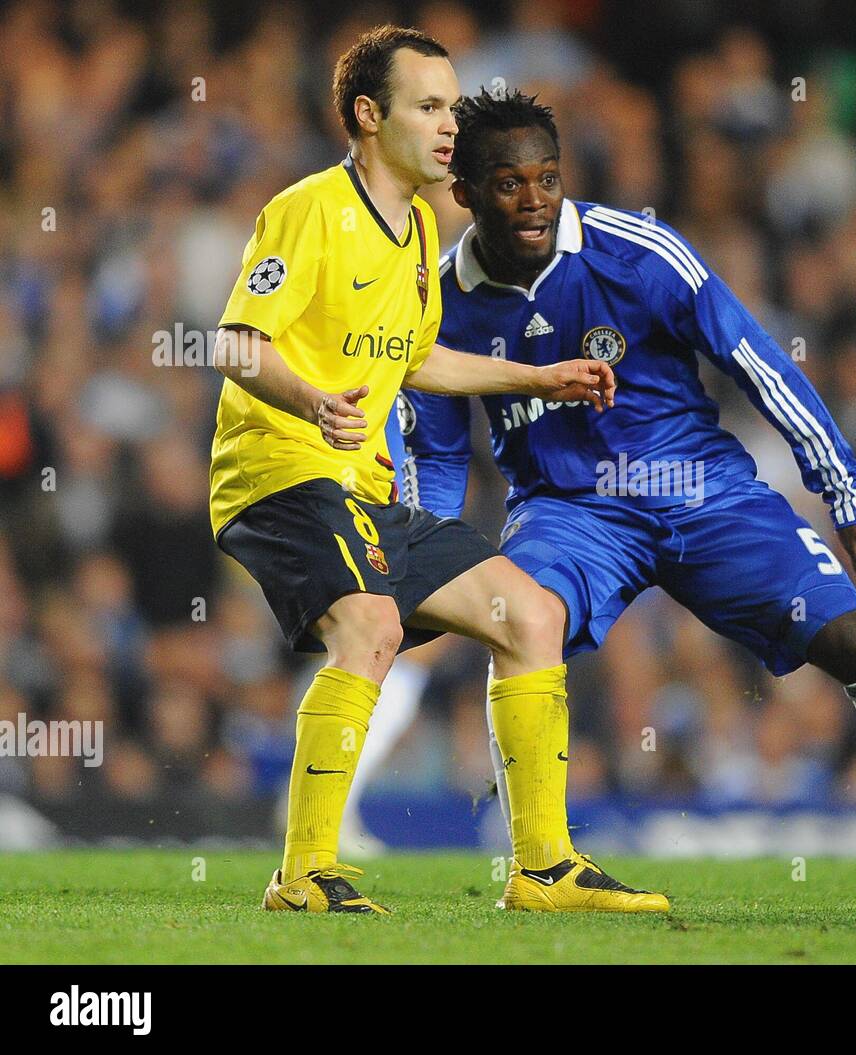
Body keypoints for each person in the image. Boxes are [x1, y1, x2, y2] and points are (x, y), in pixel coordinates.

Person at [395, 90, 856, 910]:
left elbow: (759, 362)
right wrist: (425, 550)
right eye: (507, 183)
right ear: (462, 191)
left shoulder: (638, 251)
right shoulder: (435, 299)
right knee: (519, 619)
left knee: (853, 639)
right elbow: (438, 447)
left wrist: (846, 493)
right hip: (568, 508)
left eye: (547, 178)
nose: (533, 200)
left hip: (697, 483)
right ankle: (540, 866)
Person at [209, 28, 650, 915]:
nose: (451, 125)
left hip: (363, 487)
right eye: (429, 106)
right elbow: (232, 340)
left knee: (530, 614)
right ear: (369, 116)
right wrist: (308, 399)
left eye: (452, 106)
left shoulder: (415, 229)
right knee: (368, 625)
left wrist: (540, 376)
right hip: (280, 471)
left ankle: (543, 868)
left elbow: (417, 360)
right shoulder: (309, 209)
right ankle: (302, 876)